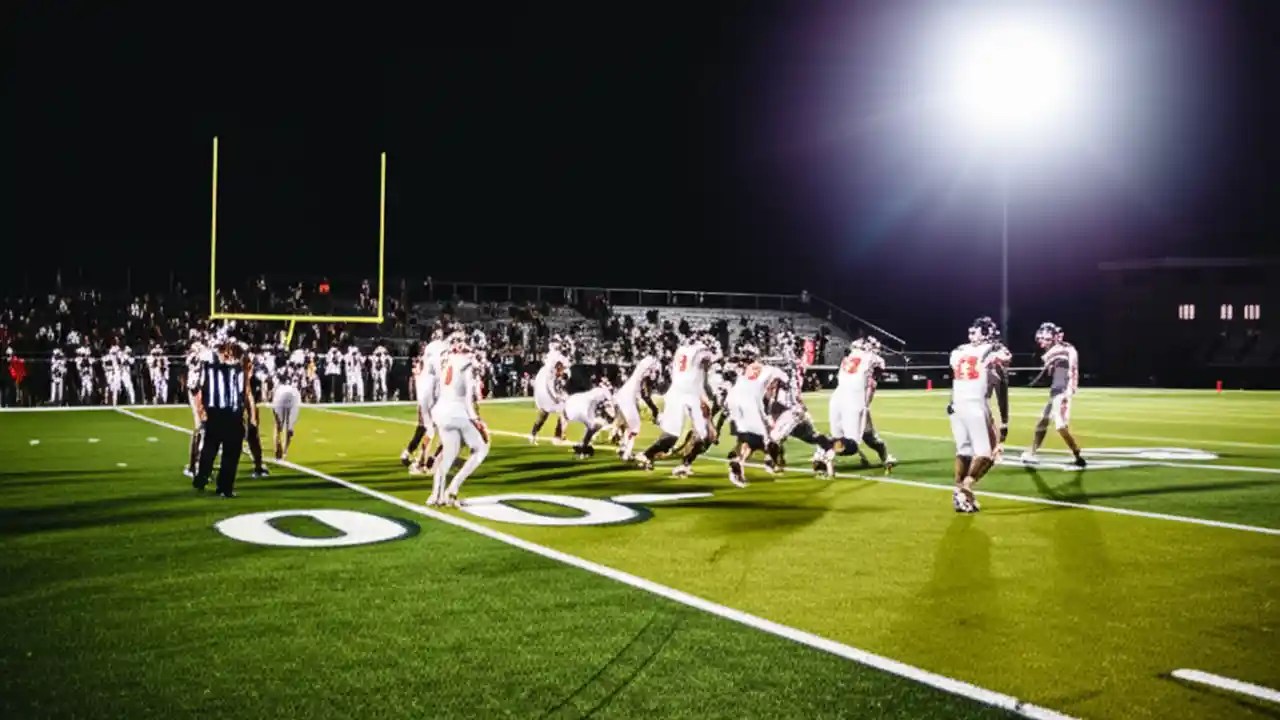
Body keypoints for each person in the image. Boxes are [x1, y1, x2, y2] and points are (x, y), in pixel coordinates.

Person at [947, 317, 1012, 513]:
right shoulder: (994, 352)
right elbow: (1003, 383)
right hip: (976, 404)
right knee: (987, 454)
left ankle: (958, 494)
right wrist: (1005, 421)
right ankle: (966, 487)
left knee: (964, 452)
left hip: (956, 405)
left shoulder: (957, 352)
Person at [428, 337, 490, 507]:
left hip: (441, 411)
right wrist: (477, 421)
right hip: (457, 412)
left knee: (449, 454)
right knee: (481, 449)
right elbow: (468, 399)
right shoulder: (466, 365)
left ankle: (436, 495)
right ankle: (453, 489)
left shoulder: (446, 362)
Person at [192, 339, 253, 498]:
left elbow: (244, 391)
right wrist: (201, 409)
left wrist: (247, 413)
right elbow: (197, 387)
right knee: (210, 448)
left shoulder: (240, 367)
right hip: (216, 412)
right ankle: (203, 476)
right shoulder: (209, 361)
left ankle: (224, 486)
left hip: (233, 413)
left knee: (231, 451)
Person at [1021, 322, 1087, 467]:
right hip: (1057, 390)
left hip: (1061, 390)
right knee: (1042, 421)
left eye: (1045, 339)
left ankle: (1077, 454)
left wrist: (1063, 393)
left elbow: (1063, 372)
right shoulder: (1061, 350)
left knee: (1060, 426)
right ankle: (1032, 452)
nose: (1042, 342)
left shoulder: (1060, 350)